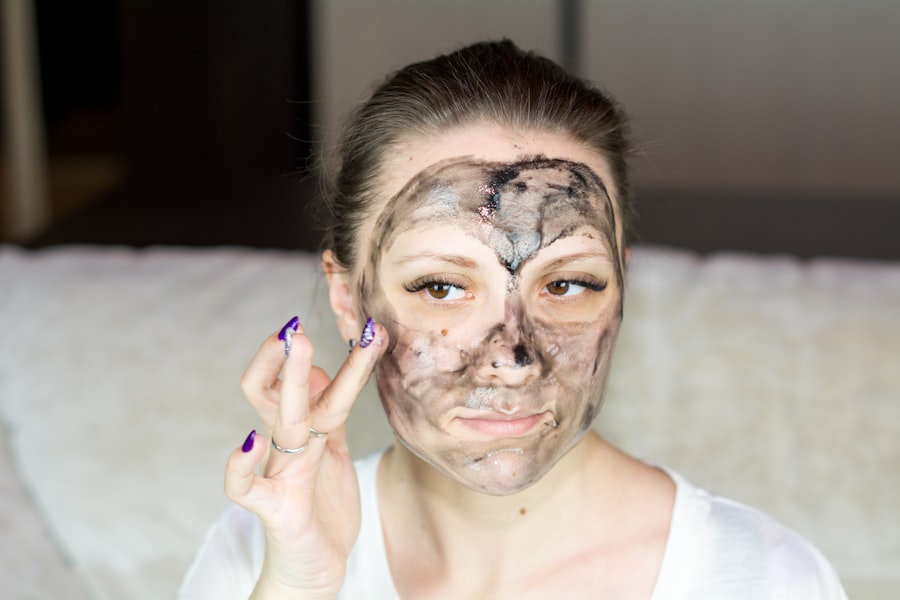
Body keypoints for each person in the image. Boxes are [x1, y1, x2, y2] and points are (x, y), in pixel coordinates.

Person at [180, 39, 847, 599]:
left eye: (567, 283)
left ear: (620, 289)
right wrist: (298, 586)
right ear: (349, 301)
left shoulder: (763, 579)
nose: (512, 358)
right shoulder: (262, 549)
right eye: (442, 286)